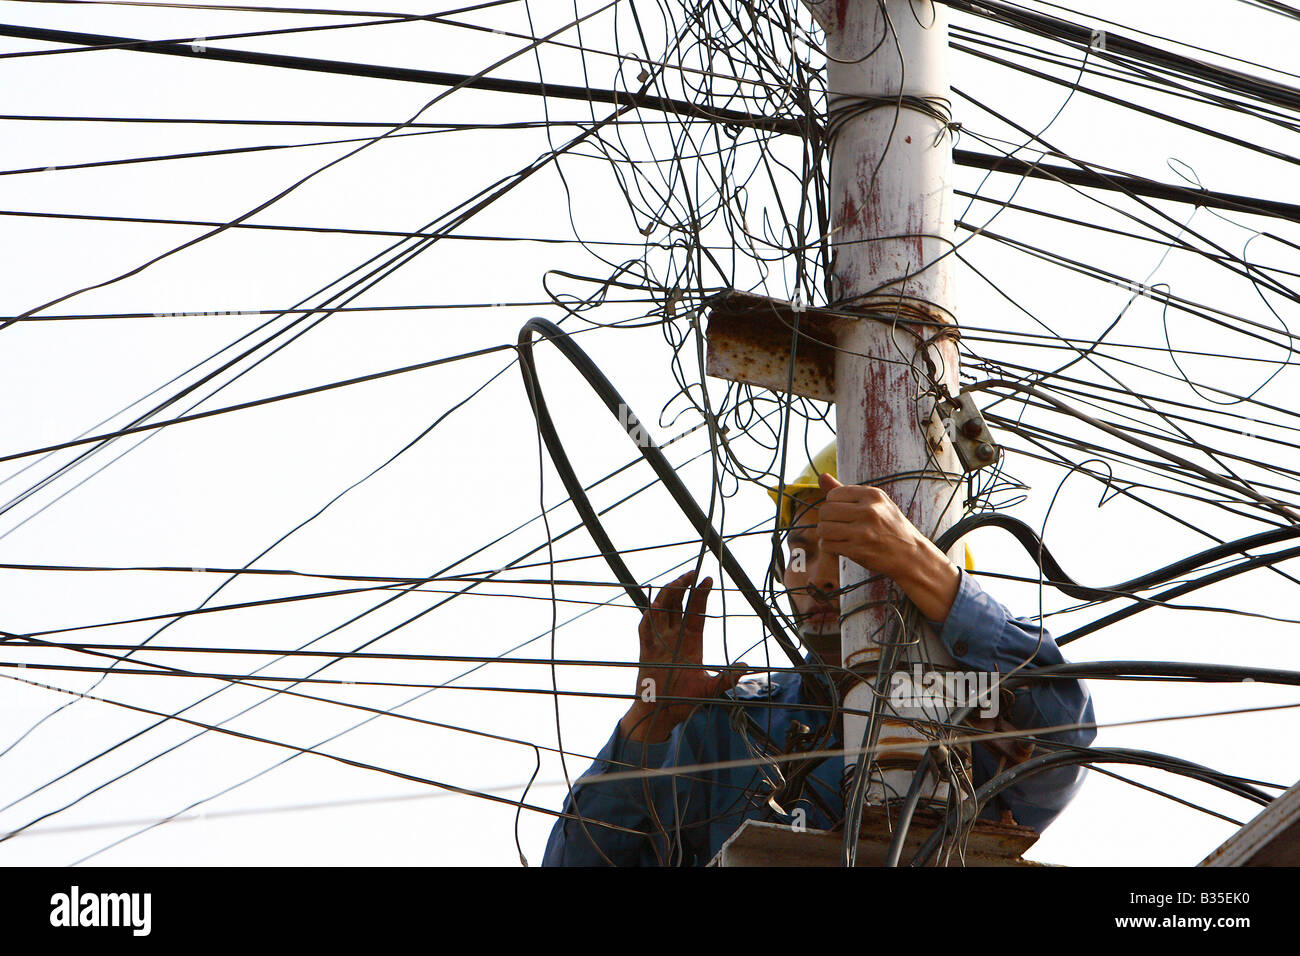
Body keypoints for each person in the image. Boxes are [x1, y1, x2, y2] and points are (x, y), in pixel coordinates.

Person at [542, 442, 1096, 866]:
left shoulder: (978, 707)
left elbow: (1064, 732)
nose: (821, 579)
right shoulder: (730, 723)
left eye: (851, 549)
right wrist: (646, 726)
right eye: (802, 553)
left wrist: (919, 567)